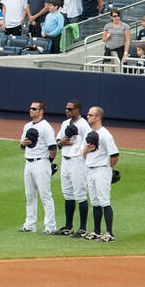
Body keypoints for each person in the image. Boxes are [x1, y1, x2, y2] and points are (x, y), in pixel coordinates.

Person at [17, 100, 58, 234]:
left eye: (34, 109)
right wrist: (23, 143)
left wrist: (48, 163)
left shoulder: (46, 127)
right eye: (31, 108)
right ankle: (30, 224)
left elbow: (53, 148)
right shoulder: (27, 126)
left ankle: (50, 227)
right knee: (29, 195)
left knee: (45, 196)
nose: (31, 110)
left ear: (41, 111)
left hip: (41, 162)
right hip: (28, 163)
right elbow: (22, 146)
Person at [80, 106, 120, 242]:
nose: (88, 116)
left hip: (102, 170)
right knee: (95, 202)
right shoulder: (88, 134)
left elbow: (115, 154)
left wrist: (109, 168)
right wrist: (86, 150)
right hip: (90, 170)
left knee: (104, 201)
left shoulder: (105, 135)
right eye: (88, 114)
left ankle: (109, 233)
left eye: (90, 115)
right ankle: (96, 231)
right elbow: (82, 153)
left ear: (98, 117)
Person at [55, 100, 92, 238]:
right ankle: (68, 226)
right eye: (66, 109)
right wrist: (61, 143)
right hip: (65, 161)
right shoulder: (65, 123)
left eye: (70, 109)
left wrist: (83, 154)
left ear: (77, 110)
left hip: (78, 162)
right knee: (67, 194)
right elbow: (58, 141)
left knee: (80, 194)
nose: (67, 111)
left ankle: (82, 228)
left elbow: (90, 141)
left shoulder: (84, 125)